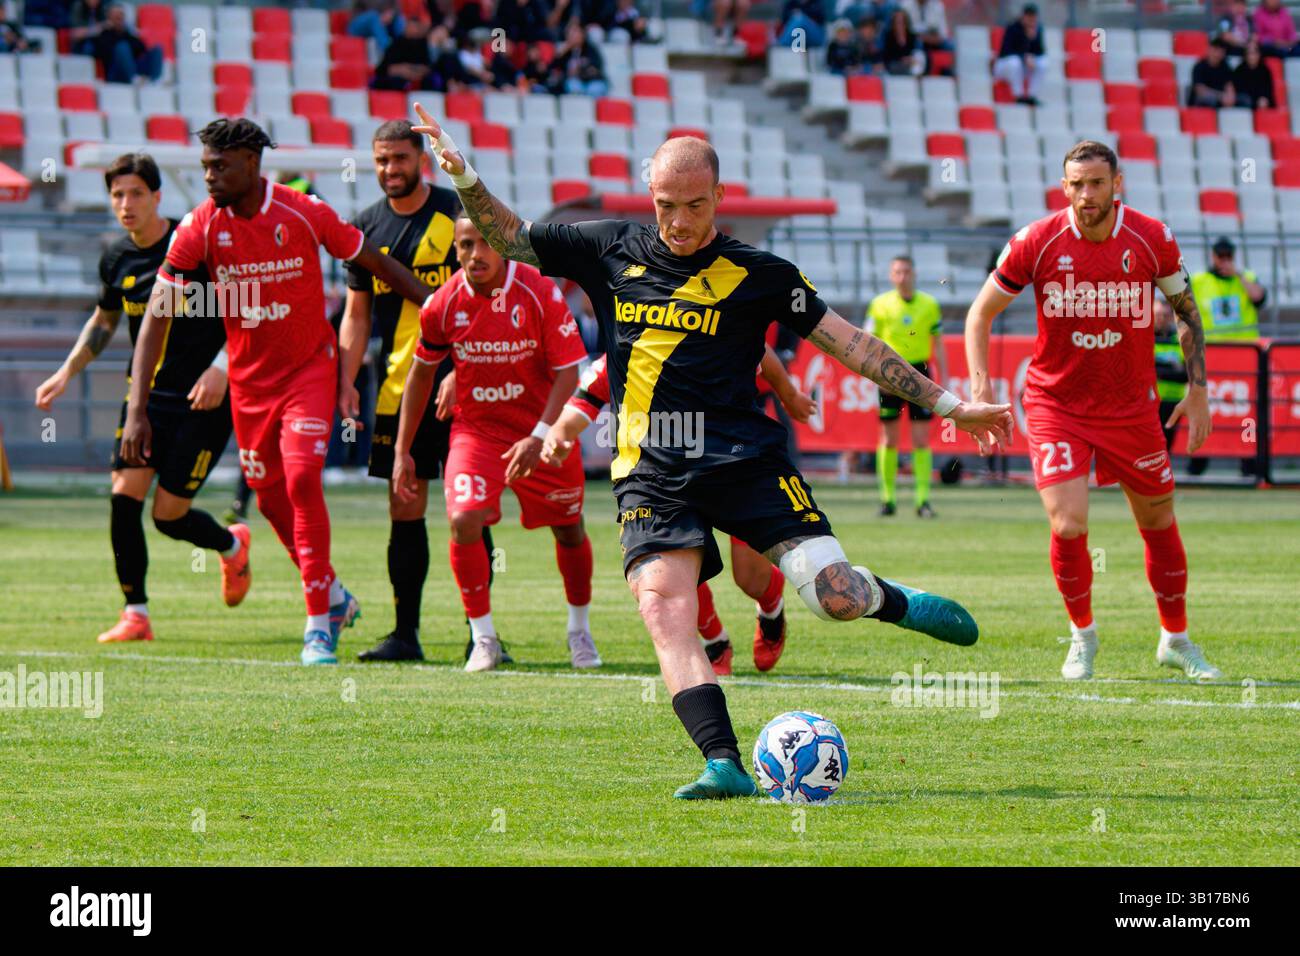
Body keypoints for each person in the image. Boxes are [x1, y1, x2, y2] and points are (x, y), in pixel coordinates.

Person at [413, 103, 1012, 797]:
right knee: (660, 604)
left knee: (832, 598)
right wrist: (462, 174)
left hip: (744, 459)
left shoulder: (761, 273)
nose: (679, 222)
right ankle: (723, 762)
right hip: (651, 468)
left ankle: (890, 598)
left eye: (695, 206)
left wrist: (949, 406)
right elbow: (510, 237)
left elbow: (852, 344)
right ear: (652, 197)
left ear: (719, 198)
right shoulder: (610, 247)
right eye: (667, 205)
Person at [122, 119, 438, 666]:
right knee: (268, 499)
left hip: (308, 374)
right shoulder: (201, 225)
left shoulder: (302, 210)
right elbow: (157, 317)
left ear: (251, 161)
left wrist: (437, 311)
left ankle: (318, 624)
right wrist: (136, 409)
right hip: (248, 386)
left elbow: (374, 262)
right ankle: (335, 595)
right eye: (204, 166)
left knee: (299, 479)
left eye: (219, 166)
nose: (209, 176)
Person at [965, 140, 1223, 683]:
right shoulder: (1035, 241)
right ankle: (1082, 636)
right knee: (1068, 522)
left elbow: (1186, 311)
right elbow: (979, 315)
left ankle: (1175, 638)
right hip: (1057, 404)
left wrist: (1197, 389)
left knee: (1157, 521)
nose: (1087, 194)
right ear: (1065, 188)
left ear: (1117, 183)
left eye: (1097, 183)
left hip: (1131, 408)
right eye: (1077, 184)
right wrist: (982, 388)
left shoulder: (1152, 238)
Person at [34, 152, 247, 644]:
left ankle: (230, 545)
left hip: (205, 399)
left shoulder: (195, 246)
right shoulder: (117, 258)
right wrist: (66, 371)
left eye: (134, 194)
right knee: (123, 497)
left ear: (157, 196)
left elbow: (246, 311)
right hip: (145, 400)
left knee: (168, 517)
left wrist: (222, 369)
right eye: (116, 195)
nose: (125, 205)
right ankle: (136, 613)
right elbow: (105, 320)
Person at [395, 216, 600, 672]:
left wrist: (541, 435)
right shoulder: (442, 304)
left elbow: (571, 371)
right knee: (464, 520)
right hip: (477, 432)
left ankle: (579, 631)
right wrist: (401, 450)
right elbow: (420, 374)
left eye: (485, 244)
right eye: (465, 245)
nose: (475, 254)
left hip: (541, 432)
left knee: (568, 528)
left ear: (504, 247)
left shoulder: (538, 291)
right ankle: (483, 638)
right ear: (455, 249)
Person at [549, 346, 818, 675]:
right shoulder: (628, 348)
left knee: (749, 579)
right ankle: (715, 641)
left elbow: (758, 348)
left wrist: (790, 395)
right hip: (661, 482)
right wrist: (560, 435)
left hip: (734, 466)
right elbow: (586, 396)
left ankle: (771, 607)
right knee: (672, 571)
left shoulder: (708, 327)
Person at [338, 120, 485, 663]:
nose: (389, 170)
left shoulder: (454, 213)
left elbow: (486, 291)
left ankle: (481, 633)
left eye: (399, 159)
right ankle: (405, 635)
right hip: (398, 390)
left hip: (466, 383)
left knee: (466, 507)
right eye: (380, 161)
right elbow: (356, 315)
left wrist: (465, 365)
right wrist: (347, 378)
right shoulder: (364, 226)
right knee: (404, 506)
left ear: (419, 160)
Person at [868, 254, 944, 518]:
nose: (902, 276)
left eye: (906, 272)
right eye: (897, 272)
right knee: (889, 439)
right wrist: (876, 375)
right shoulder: (879, 304)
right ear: (891, 275)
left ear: (914, 274)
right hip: (889, 373)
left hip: (920, 374)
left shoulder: (930, 304)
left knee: (921, 439)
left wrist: (942, 377)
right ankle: (887, 500)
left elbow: (939, 343)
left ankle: (922, 501)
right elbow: (870, 343)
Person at [1188, 235, 1264, 477]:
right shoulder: (1200, 281)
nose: (1224, 261)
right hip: (1211, 357)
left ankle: (1248, 463)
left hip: (1244, 357)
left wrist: (1239, 275)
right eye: (1221, 256)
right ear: (1213, 256)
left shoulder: (1246, 278)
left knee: (1245, 412)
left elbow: (1259, 298)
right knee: (1207, 410)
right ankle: (1198, 462)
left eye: (1228, 257)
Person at [76, 3, 162, 85]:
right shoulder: (103, 34)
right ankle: (133, 78)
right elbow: (104, 52)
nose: (119, 17)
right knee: (122, 47)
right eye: (115, 14)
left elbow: (141, 49)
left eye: (121, 14)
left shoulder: (127, 33)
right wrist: (107, 28)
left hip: (134, 67)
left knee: (157, 49)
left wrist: (129, 32)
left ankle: (154, 81)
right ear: (109, 16)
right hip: (115, 73)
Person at [993, 3, 1046, 106]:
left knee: (1043, 63)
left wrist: (1032, 39)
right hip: (1005, 66)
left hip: (1023, 67)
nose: (1031, 19)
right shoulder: (1013, 28)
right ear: (1023, 16)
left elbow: (1040, 52)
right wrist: (1024, 56)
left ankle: (1032, 95)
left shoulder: (1038, 29)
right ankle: (1018, 96)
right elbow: (1006, 51)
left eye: (1033, 16)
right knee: (1015, 62)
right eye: (1029, 16)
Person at [1152, 298, 1187, 453]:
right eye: (1157, 315)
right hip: (1149, 402)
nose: (1161, 319)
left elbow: (1185, 375)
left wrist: (1158, 369)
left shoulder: (1179, 340)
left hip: (1173, 402)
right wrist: (1172, 368)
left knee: (1166, 447)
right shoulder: (1143, 338)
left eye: (1166, 315)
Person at [372, 16, 435, 91]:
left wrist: (414, 71)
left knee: (432, 81)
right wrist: (401, 70)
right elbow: (384, 68)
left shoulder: (422, 44)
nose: (414, 30)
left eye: (416, 27)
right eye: (411, 27)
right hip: (398, 78)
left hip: (417, 76)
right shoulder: (396, 44)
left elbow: (428, 67)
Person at [550, 20, 608, 96]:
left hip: (591, 81)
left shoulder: (590, 50)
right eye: (569, 33)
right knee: (573, 85)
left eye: (575, 32)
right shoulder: (566, 52)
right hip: (573, 83)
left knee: (594, 88)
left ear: (582, 34)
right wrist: (562, 52)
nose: (572, 36)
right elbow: (554, 68)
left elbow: (596, 68)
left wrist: (579, 70)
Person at [1188, 39, 1241, 108]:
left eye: (1221, 52)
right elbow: (1200, 90)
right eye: (1216, 50)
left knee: (1243, 100)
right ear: (1209, 50)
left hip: (1221, 99)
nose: (1218, 54)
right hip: (1203, 100)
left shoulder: (1225, 67)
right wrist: (1221, 96)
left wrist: (1231, 97)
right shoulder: (1199, 66)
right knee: (1210, 100)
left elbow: (1229, 85)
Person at [1232, 40, 1276, 109]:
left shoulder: (1265, 70)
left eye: (1254, 53)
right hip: (1245, 105)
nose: (1251, 56)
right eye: (1249, 53)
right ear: (1245, 55)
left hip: (1262, 104)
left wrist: (1264, 99)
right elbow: (1239, 92)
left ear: (1259, 54)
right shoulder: (1239, 70)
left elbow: (1268, 91)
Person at [881, 8, 922, 76]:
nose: (900, 24)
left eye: (903, 22)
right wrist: (902, 60)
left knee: (917, 66)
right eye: (898, 22)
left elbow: (917, 53)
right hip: (894, 65)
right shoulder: (888, 36)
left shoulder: (912, 36)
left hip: (910, 64)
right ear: (893, 23)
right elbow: (887, 57)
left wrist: (911, 59)